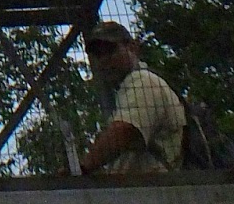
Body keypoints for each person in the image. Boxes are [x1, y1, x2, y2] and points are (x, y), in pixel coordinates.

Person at [78, 20, 184, 176]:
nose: (104, 60)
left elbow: (123, 132)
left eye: (110, 51)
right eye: (98, 55)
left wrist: (81, 168)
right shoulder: (126, 90)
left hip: (157, 192)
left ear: (132, 48)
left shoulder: (143, 81)